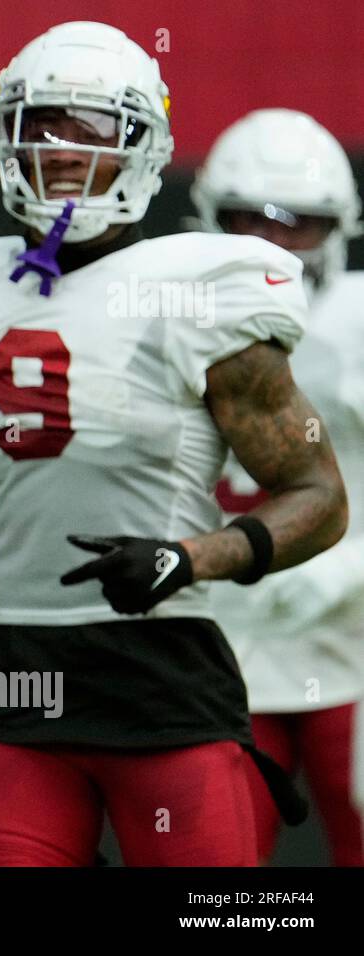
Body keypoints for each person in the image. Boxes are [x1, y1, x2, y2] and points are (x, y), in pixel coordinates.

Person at [0, 21, 348, 866]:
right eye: (44, 126)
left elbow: (320, 498)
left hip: (161, 682)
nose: (63, 150)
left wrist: (189, 557)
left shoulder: (204, 292)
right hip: (11, 680)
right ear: (5, 142)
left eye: (92, 129)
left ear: (143, 146)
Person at [193, 108, 364, 866]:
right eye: (252, 220)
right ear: (210, 218)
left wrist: (348, 567)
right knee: (218, 885)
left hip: (355, 648)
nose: (275, 244)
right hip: (220, 651)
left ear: (340, 226)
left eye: (301, 223)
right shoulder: (168, 315)